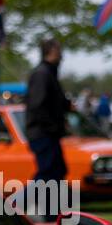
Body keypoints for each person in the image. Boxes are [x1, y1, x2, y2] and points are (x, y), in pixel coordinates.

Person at [25, 37, 69, 186]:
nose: (62, 55)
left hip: (49, 133)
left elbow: (56, 101)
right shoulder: (42, 74)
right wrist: (53, 126)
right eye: (59, 51)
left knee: (57, 172)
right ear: (51, 51)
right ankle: (12, 206)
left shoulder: (49, 73)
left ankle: (51, 210)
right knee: (47, 175)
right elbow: (38, 105)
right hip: (43, 133)